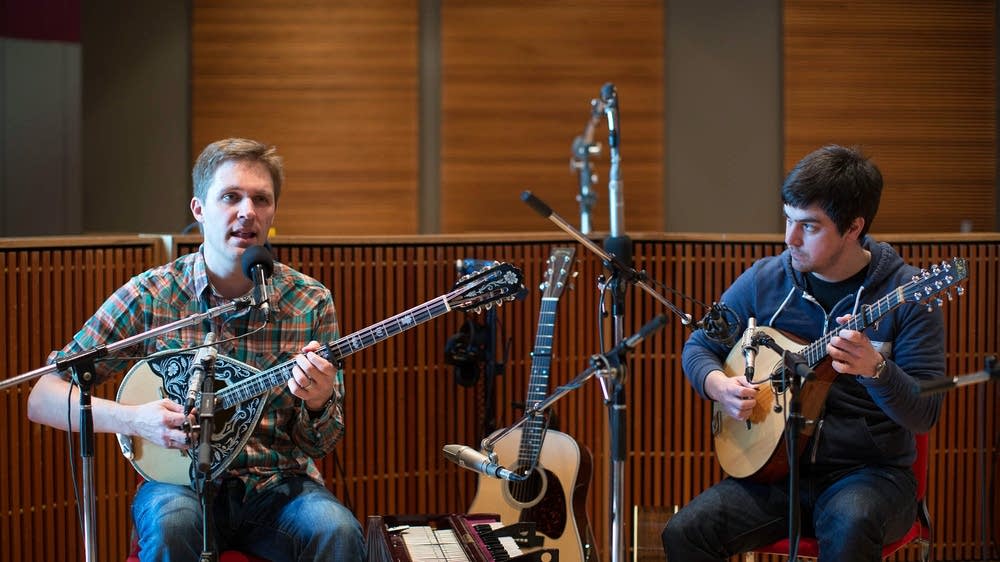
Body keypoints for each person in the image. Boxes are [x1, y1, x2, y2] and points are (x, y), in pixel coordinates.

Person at [27, 138, 366, 561]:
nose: (248, 211)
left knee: (338, 531)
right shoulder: (153, 294)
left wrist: (317, 402)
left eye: (261, 199)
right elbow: (44, 396)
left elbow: (323, 441)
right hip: (179, 483)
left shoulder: (310, 300)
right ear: (199, 209)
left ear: (273, 212)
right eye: (231, 197)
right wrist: (134, 420)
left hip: (279, 484)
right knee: (173, 526)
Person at [661, 145, 945, 561]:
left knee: (851, 524)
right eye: (788, 220)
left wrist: (877, 370)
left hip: (870, 476)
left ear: (853, 227)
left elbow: (925, 412)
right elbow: (700, 345)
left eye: (809, 227)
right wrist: (718, 385)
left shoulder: (906, 294)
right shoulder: (765, 280)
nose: (790, 238)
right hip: (776, 475)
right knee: (684, 533)